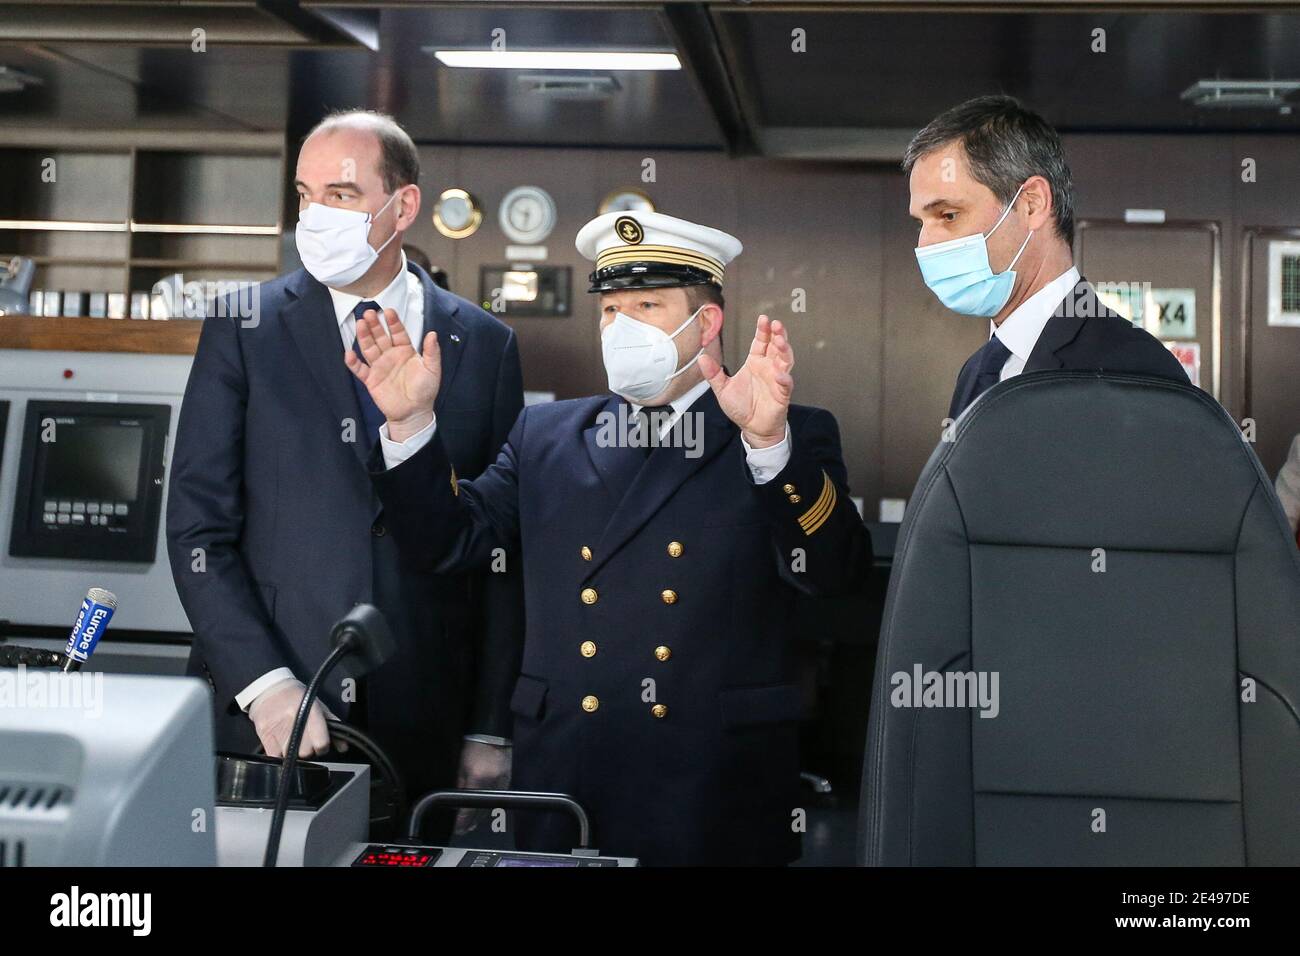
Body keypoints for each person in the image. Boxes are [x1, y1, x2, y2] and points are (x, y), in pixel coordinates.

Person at [347, 211, 871, 865]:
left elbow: (833, 574)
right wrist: (411, 430)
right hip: (569, 774)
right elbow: (447, 544)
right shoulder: (547, 434)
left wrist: (769, 446)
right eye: (611, 309)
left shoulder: (784, 429)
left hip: (711, 780)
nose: (622, 326)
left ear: (706, 324)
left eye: (647, 305)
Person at [166, 110, 524, 823]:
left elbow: (501, 555)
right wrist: (264, 683)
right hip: (268, 721)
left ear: (404, 206)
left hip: (424, 719)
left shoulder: (483, 345)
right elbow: (197, 530)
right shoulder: (243, 326)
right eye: (304, 195)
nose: (315, 216)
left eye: (342, 194)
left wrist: (490, 722)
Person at [905, 94, 1188, 420]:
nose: (925, 243)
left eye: (949, 215)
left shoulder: (1133, 372)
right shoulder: (977, 371)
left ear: (1032, 204)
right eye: (921, 223)